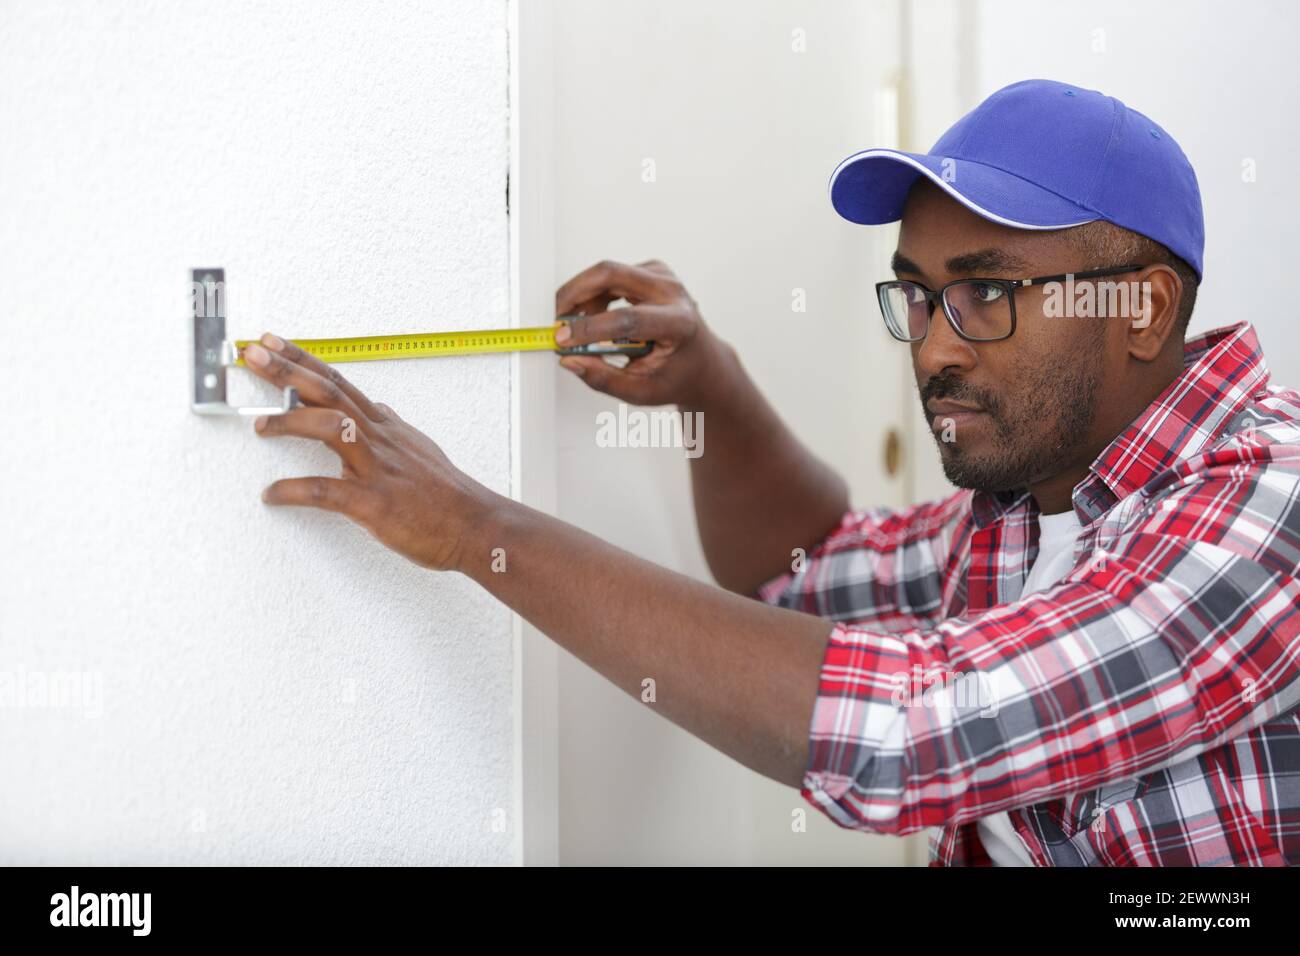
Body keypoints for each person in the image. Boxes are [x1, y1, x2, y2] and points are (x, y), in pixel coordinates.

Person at [239, 79, 1300, 865]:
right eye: (917, 296)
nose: (933, 346)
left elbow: (904, 731)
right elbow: (800, 575)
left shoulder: (1265, 511)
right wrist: (712, 389)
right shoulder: (1035, 505)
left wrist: (476, 527)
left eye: (987, 294)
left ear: (1141, 307)